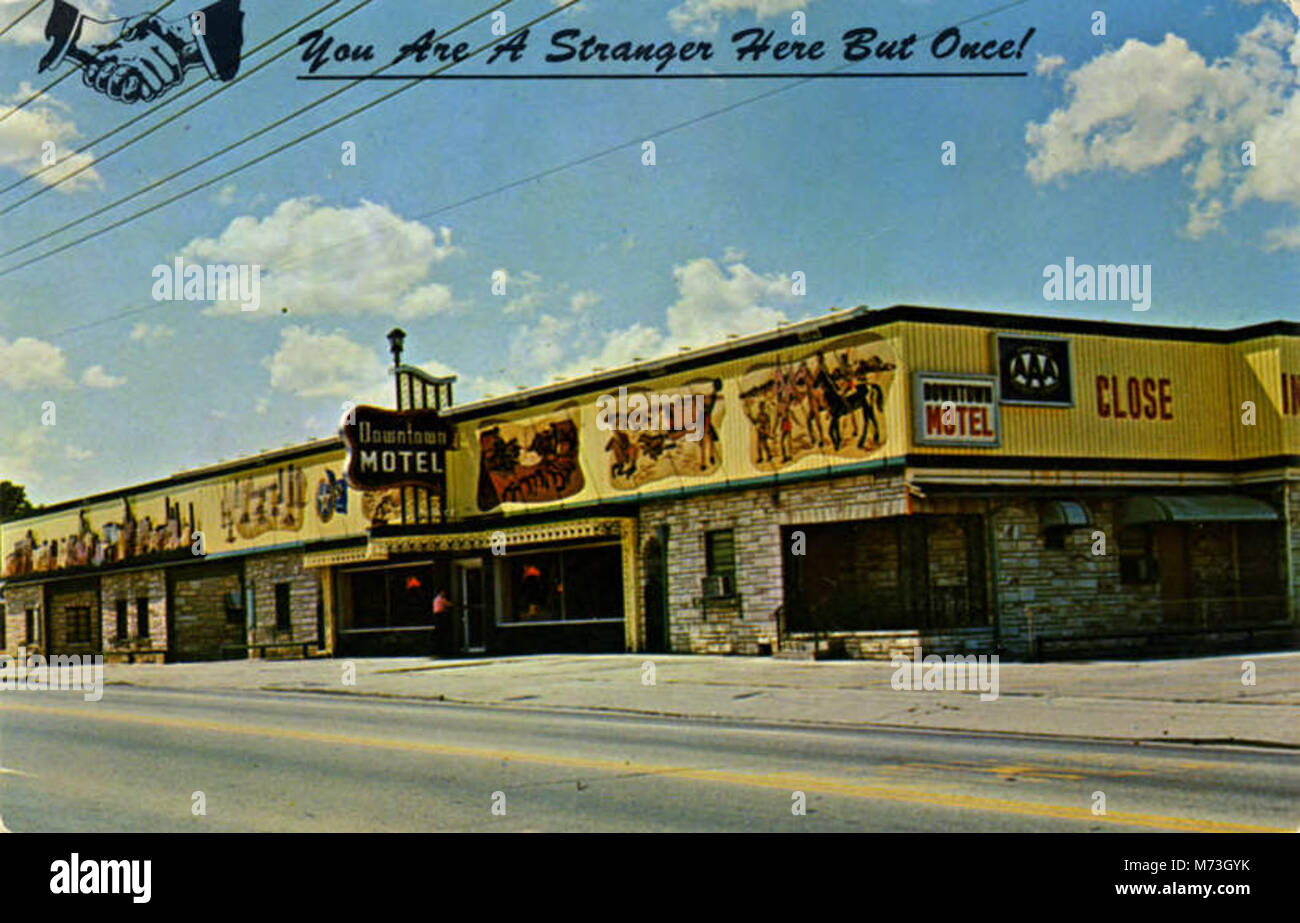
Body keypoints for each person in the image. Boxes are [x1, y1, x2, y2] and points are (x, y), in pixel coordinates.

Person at [431, 589, 451, 656]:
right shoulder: (441, 599)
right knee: (442, 632)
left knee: (438, 632)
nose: (444, 593)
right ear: (440, 592)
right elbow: (448, 604)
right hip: (440, 616)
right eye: (443, 592)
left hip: (436, 616)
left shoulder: (435, 599)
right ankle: (442, 650)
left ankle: (438, 650)